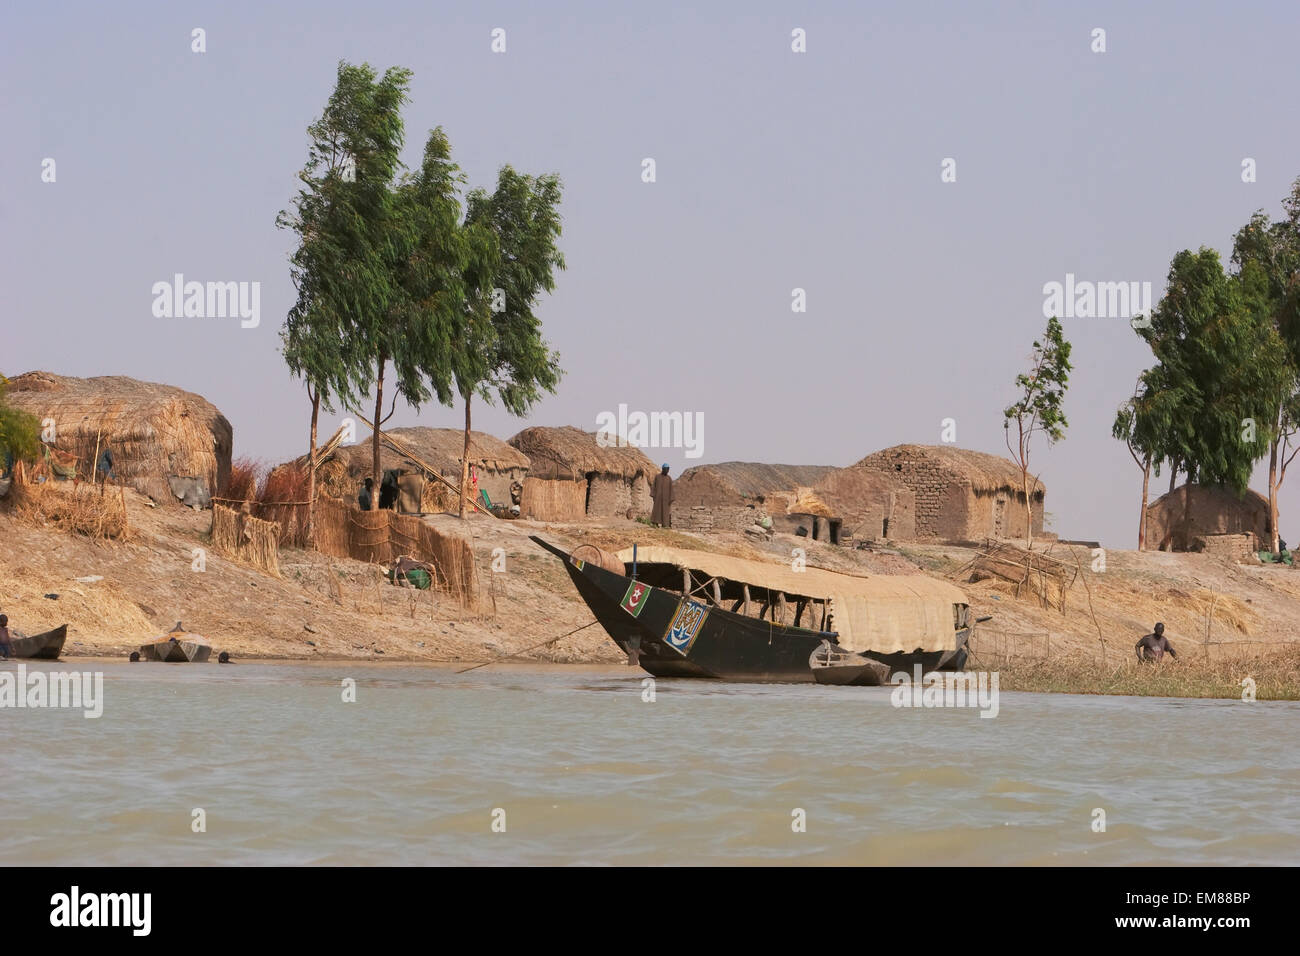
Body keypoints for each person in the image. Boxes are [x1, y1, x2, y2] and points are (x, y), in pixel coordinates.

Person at [651, 463, 673, 528]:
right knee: (657, 511)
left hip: (666, 499)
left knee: (665, 512)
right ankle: (655, 523)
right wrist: (653, 495)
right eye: (666, 469)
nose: (667, 470)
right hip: (658, 498)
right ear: (663, 469)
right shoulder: (657, 477)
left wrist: (671, 498)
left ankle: (665, 525)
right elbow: (654, 486)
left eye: (668, 469)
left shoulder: (669, 478)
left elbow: (671, 489)